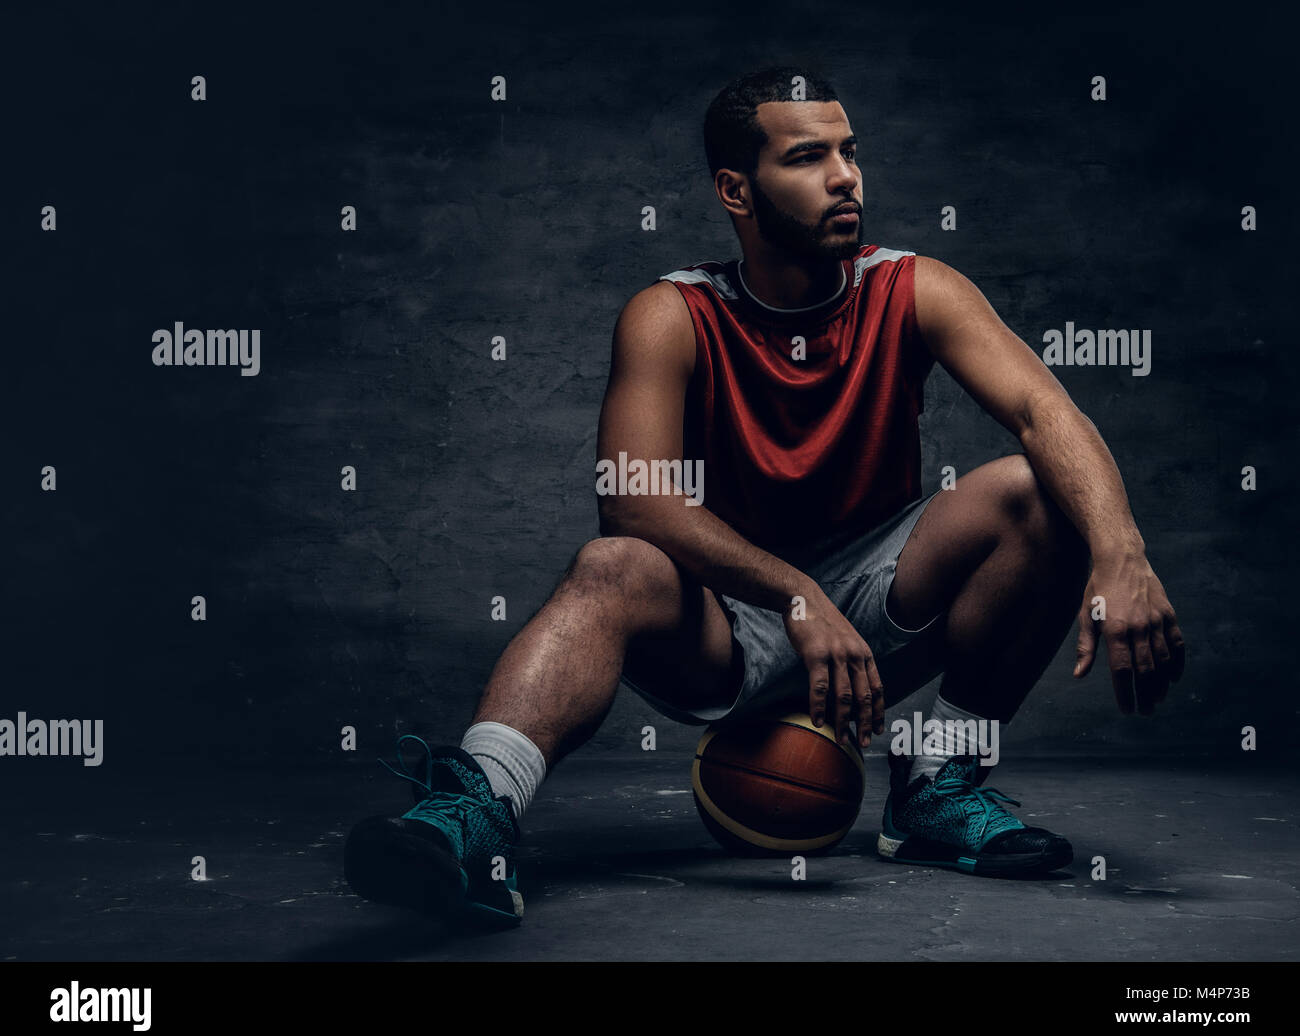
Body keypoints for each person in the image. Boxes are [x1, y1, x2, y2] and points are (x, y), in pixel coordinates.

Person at [344, 66, 1186, 928]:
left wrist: (1123, 555)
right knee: (612, 562)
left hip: (878, 604)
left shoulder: (913, 287)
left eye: (850, 152)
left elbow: (1045, 411)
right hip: (723, 619)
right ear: (736, 190)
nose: (845, 176)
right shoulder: (671, 314)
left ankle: (937, 780)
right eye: (809, 157)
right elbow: (636, 502)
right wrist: (795, 594)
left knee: (1039, 491)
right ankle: (476, 814)